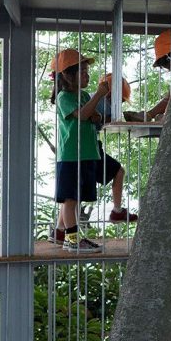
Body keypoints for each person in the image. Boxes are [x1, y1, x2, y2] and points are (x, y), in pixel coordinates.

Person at [50, 49, 134, 251]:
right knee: (70, 199)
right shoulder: (64, 97)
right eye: (83, 72)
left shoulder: (83, 95)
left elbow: (91, 115)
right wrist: (98, 95)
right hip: (72, 155)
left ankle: (63, 234)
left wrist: (96, 114)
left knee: (75, 197)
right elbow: (82, 115)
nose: (87, 75)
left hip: (87, 152)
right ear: (68, 75)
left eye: (87, 71)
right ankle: (72, 240)